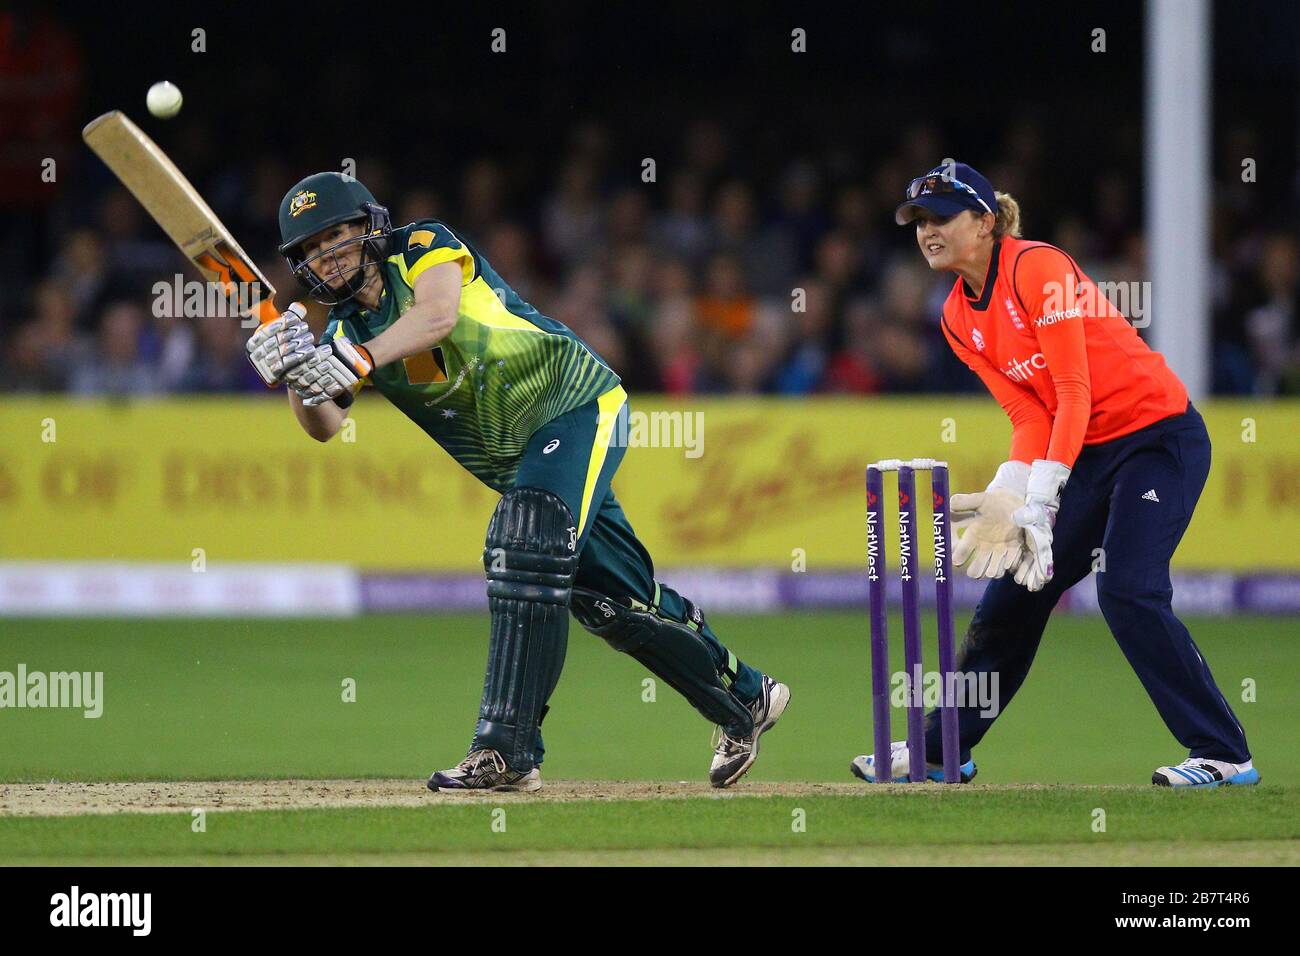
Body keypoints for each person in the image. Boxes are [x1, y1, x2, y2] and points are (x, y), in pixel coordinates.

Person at [248, 172, 789, 792]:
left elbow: (437, 316)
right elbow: (324, 425)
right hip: (526, 464)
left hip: (576, 402)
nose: (329, 256)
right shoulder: (344, 333)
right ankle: (745, 699)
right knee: (614, 604)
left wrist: (352, 359)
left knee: (524, 540)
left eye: (337, 237)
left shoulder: (423, 245)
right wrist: (295, 372)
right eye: (313, 250)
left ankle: (506, 750)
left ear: (369, 227)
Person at [852, 162, 1256, 788]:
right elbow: (1028, 411)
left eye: (941, 217)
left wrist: (1038, 500)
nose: (927, 231)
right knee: (1013, 595)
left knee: (1126, 590)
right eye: (919, 222)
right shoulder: (958, 317)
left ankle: (1225, 754)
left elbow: (1074, 389)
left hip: (1158, 438)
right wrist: (1009, 492)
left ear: (985, 222)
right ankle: (941, 750)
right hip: (1086, 453)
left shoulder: (1038, 267)